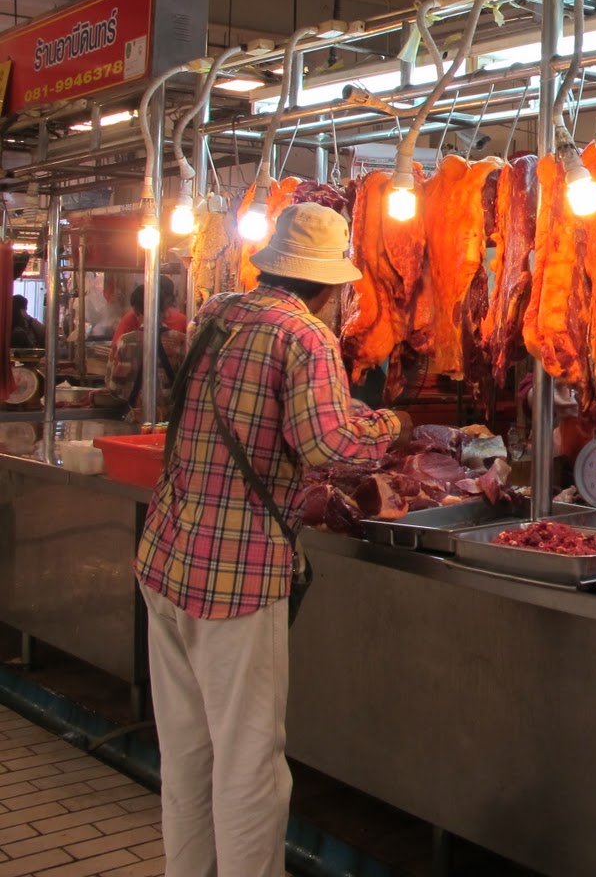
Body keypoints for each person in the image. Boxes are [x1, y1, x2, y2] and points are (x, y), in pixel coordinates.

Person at [135, 203, 413, 877]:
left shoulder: (218, 315)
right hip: (237, 575)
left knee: (189, 754)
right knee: (249, 763)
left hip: (166, 557)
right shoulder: (304, 335)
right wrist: (392, 424)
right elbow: (330, 445)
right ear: (331, 284)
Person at [111, 275, 187, 349]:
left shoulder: (181, 321)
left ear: (170, 299)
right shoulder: (130, 319)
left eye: (161, 299)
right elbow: (115, 350)